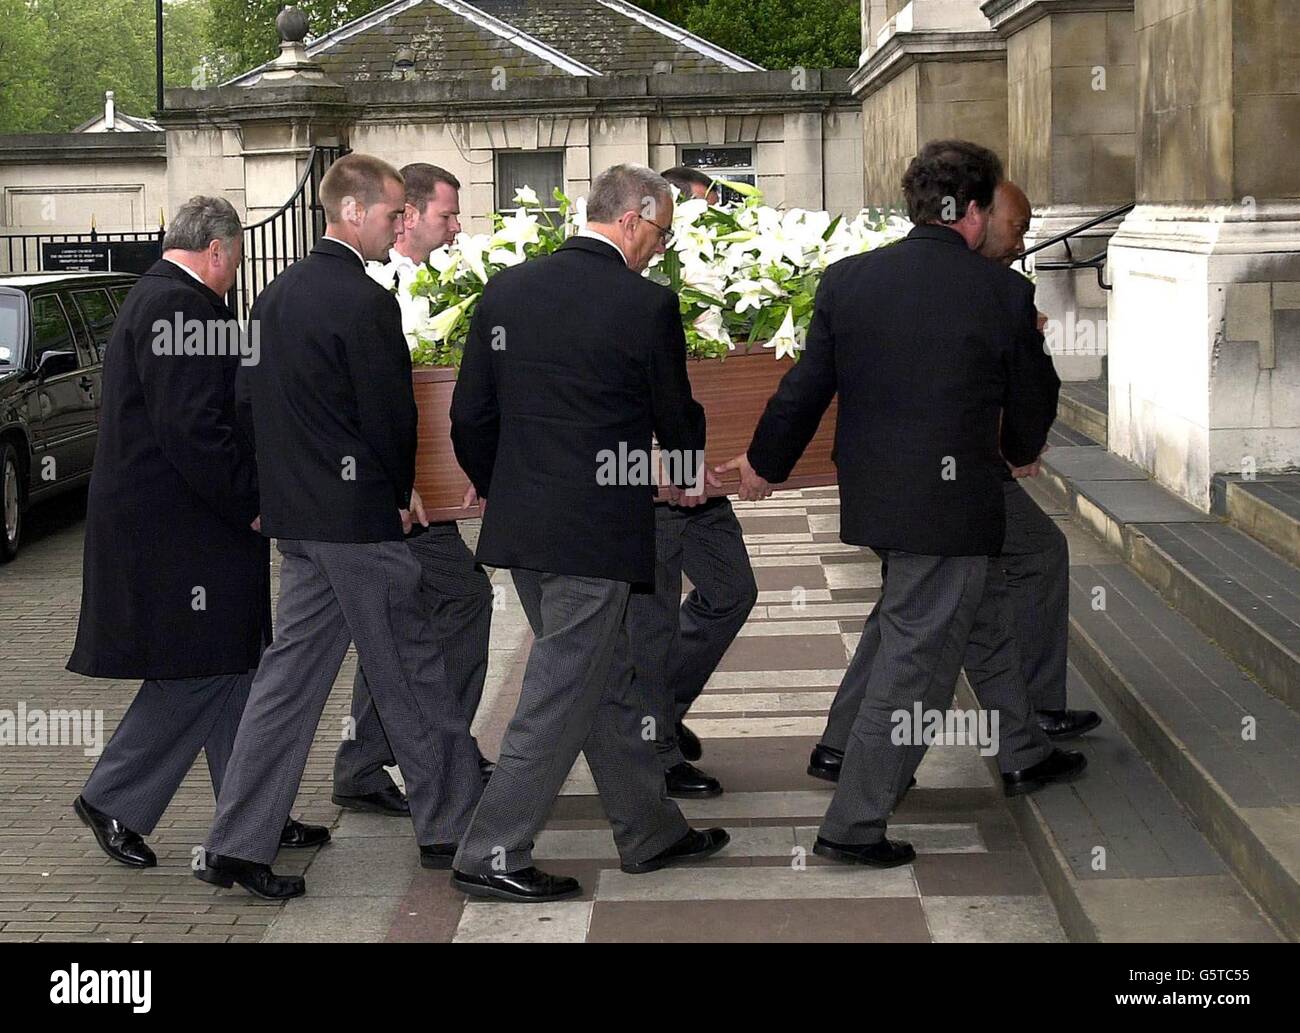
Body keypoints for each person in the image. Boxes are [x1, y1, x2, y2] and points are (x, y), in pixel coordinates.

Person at [722, 140, 1087, 868]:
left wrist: (765, 463)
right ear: (975, 211)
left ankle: (1021, 751)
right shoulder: (1001, 295)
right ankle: (853, 823)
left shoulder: (850, 280)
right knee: (914, 667)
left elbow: (804, 389)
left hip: (880, 498)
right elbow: (1031, 400)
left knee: (976, 618)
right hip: (952, 508)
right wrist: (1020, 448)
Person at [196, 154, 482, 900]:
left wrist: (266, 494)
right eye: (392, 214)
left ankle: (235, 844)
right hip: (357, 524)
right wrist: (396, 492)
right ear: (353, 213)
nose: (398, 226)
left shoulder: (274, 296)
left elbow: (246, 402)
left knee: (286, 686)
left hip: (299, 524)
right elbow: (390, 417)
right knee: (413, 672)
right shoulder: (364, 301)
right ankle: (452, 824)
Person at [448, 164, 729, 903]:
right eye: (661, 233)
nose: (660, 251)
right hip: (595, 533)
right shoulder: (644, 304)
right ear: (634, 218)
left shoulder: (506, 290)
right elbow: (677, 413)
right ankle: (490, 849)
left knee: (604, 681)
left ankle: (650, 828)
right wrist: (690, 469)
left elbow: (469, 415)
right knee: (556, 696)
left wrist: (497, 483)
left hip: (524, 529)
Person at [809, 180, 1100, 783]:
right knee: (926, 608)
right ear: (977, 215)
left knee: (970, 595)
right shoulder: (984, 287)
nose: (1020, 243)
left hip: (909, 475)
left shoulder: (952, 281)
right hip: (945, 479)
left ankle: (1022, 745)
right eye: (1016, 228)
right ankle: (857, 785)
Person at [68, 196, 327, 868]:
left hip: (183, 524)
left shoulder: (164, 300)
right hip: (181, 530)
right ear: (216, 249)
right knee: (200, 669)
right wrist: (251, 500)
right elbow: (194, 430)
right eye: (236, 259)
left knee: (236, 665)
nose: (237, 274)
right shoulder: (177, 308)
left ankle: (253, 813)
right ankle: (113, 795)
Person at [334, 162, 497, 819]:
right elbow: (386, 400)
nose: (456, 226)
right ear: (409, 219)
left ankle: (368, 758)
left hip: (421, 484)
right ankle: (434, 748)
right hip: (400, 490)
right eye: (446, 214)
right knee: (462, 598)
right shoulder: (383, 289)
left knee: (403, 620)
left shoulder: (425, 283)